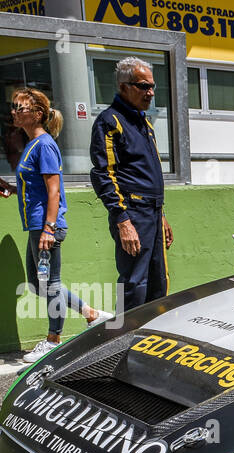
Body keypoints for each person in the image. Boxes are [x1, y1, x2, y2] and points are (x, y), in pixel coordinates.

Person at [0, 88, 108, 364]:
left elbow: (54, 191)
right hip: (37, 225)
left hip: (46, 226)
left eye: (21, 108)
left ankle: (54, 339)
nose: (14, 112)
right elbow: (38, 189)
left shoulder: (43, 145)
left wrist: (49, 228)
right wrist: (11, 189)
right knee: (37, 284)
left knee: (50, 284)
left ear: (37, 114)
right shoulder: (32, 144)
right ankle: (91, 315)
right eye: (14, 107)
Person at [90, 56, 173, 309]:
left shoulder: (144, 123)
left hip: (152, 212)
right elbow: (103, 174)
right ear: (124, 86)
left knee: (159, 281)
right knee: (134, 284)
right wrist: (122, 220)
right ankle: (123, 340)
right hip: (132, 214)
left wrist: (161, 215)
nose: (150, 92)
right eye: (143, 86)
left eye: (152, 87)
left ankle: (151, 338)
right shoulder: (110, 121)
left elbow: (147, 175)